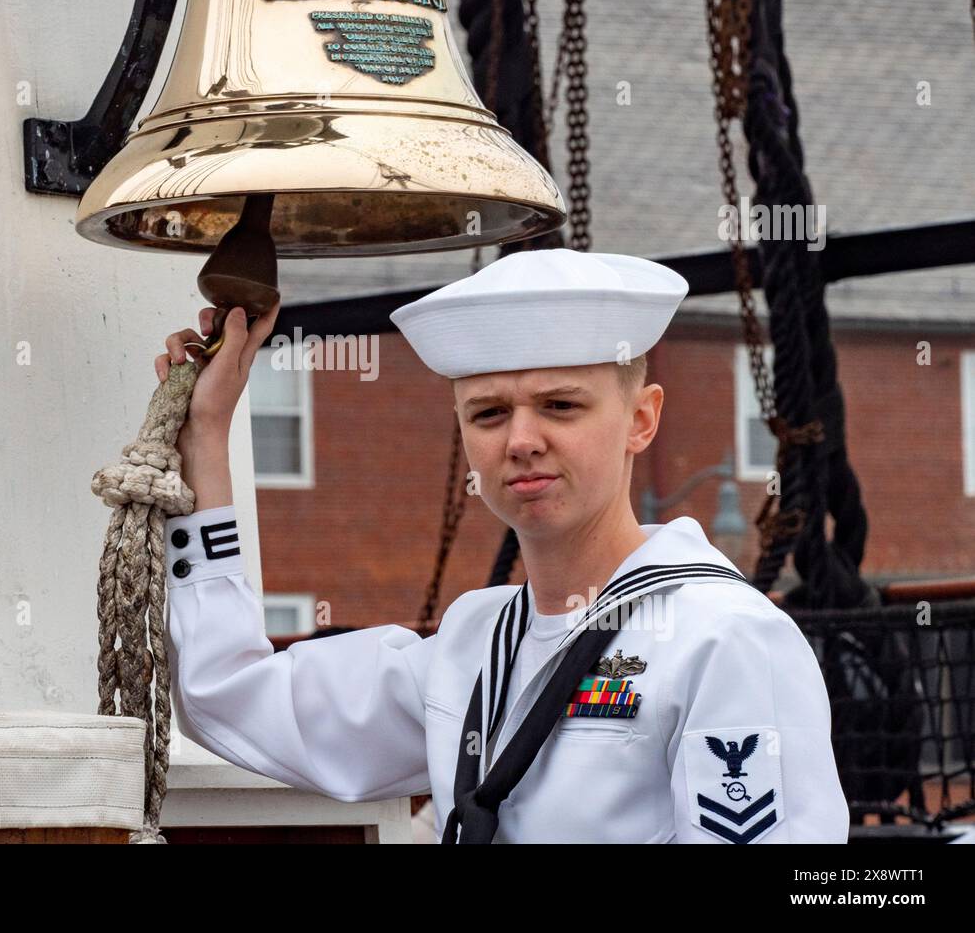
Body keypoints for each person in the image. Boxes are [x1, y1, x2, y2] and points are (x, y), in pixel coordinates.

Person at [153, 248, 849, 843]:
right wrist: (206, 439)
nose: (520, 441)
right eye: (488, 413)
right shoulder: (472, 647)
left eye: (560, 406)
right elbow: (232, 697)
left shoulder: (722, 641)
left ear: (641, 420)